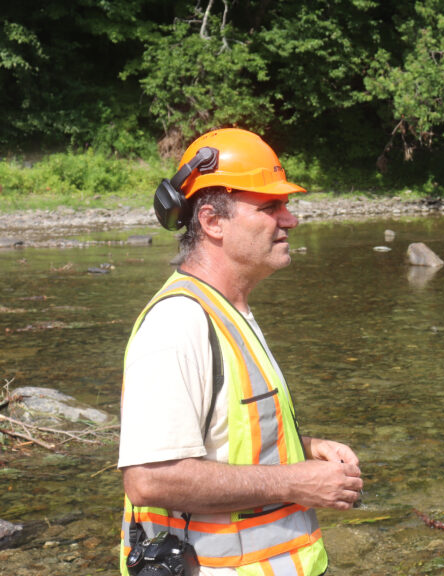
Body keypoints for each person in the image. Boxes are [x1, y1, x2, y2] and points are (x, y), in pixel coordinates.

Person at [118, 128, 363, 576]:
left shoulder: (230, 311)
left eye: (285, 206)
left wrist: (304, 449)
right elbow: (149, 478)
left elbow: (224, 439)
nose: (289, 219)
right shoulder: (177, 325)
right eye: (270, 207)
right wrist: (298, 482)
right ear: (212, 221)